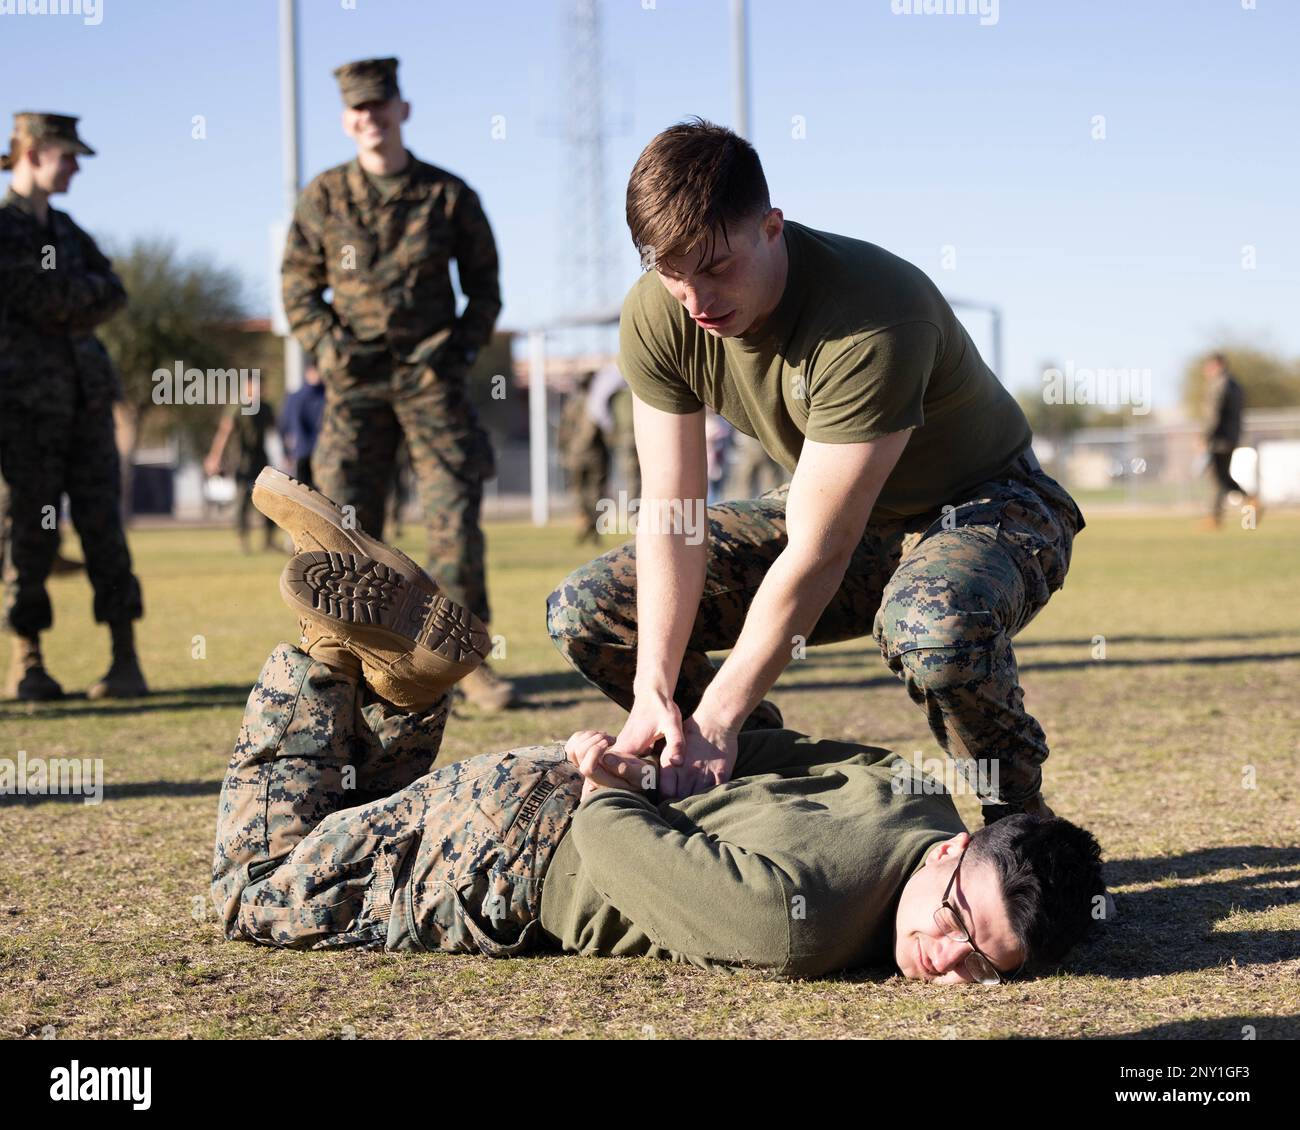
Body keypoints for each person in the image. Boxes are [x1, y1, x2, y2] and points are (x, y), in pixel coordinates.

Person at [212, 469, 1106, 983]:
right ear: (955, 856)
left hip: (541, 786)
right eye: (958, 921)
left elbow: (758, 749)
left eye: (985, 968)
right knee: (253, 889)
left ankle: (405, 691)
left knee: (359, 819)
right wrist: (613, 788)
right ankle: (323, 651)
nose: (942, 961)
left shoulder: (917, 796)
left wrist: (642, 773)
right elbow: (614, 848)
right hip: (513, 857)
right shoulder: (810, 929)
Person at [547, 118, 1087, 822]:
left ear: (772, 227)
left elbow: (820, 547)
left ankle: (1019, 821)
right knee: (590, 610)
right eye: (672, 274)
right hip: (836, 511)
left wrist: (720, 708)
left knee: (933, 627)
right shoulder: (659, 315)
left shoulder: (873, 316)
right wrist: (655, 682)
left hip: (985, 505)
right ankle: (751, 771)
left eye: (716, 268)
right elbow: (673, 515)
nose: (698, 302)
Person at [281, 56, 514, 711]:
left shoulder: (447, 196)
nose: (371, 118)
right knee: (343, 524)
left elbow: (487, 289)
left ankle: (468, 664)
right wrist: (328, 346)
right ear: (346, 121)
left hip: (430, 382)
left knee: (455, 524)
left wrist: (456, 354)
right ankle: (342, 660)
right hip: (354, 384)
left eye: (381, 106)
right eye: (359, 110)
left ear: (401, 111)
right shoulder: (324, 196)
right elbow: (297, 286)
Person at [0, 112, 146, 701]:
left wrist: (64, 299)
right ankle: (28, 661)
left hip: (86, 404)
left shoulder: (66, 230)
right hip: (24, 411)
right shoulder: (3, 228)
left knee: (103, 530)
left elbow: (113, 290)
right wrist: (70, 299)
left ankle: (124, 660)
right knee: (29, 533)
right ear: (34, 152)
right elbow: (27, 293)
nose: (77, 167)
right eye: (68, 156)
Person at [203, 373, 279, 553]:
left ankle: (269, 540)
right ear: (247, 387)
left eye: (261, 386)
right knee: (242, 502)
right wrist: (215, 457)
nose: (259, 389)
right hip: (241, 461)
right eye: (255, 385)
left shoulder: (266, 408)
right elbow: (224, 433)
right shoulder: (237, 407)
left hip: (261, 460)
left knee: (270, 499)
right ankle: (241, 540)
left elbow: (275, 432)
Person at [1200, 352, 1257, 528]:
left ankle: (1215, 517)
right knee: (1222, 476)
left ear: (1217, 365)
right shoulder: (1235, 385)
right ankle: (1249, 500)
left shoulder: (1219, 384)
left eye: (1208, 367)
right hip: (1232, 436)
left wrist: (1205, 436)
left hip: (1219, 439)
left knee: (1217, 477)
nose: (1205, 371)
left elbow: (1213, 414)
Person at [558, 371, 610, 544]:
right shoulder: (598, 403)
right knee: (596, 493)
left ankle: (586, 522)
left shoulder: (572, 405)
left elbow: (563, 432)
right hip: (595, 455)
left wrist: (564, 451)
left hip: (576, 455)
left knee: (579, 492)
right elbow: (604, 428)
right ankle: (593, 526)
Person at [277, 360, 325, 487]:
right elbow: (283, 426)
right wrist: (286, 453)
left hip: (324, 454)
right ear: (307, 372)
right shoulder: (295, 397)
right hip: (302, 454)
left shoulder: (327, 396)